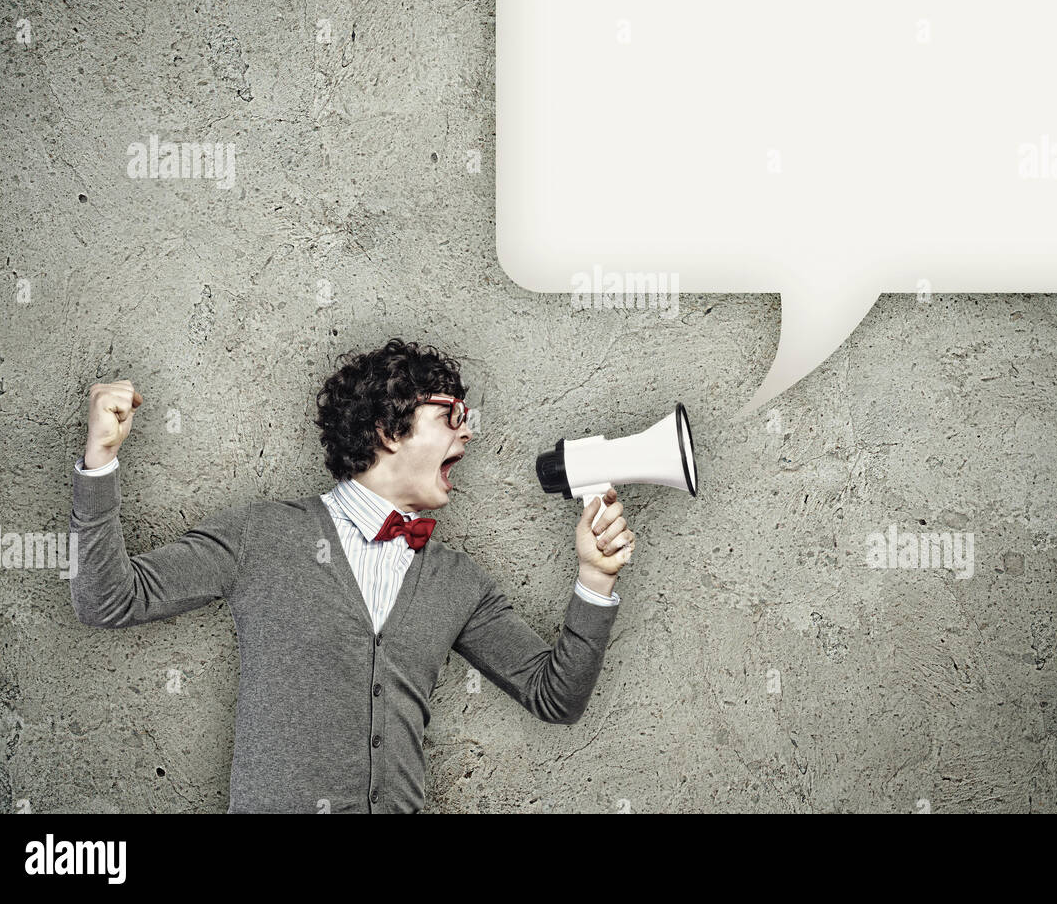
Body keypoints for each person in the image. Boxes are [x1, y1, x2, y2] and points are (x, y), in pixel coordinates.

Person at [69, 338, 634, 813]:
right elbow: (108, 599)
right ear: (390, 429)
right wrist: (101, 460)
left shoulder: (460, 582)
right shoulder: (260, 536)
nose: (468, 434)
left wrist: (595, 578)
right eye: (451, 417)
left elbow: (556, 698)